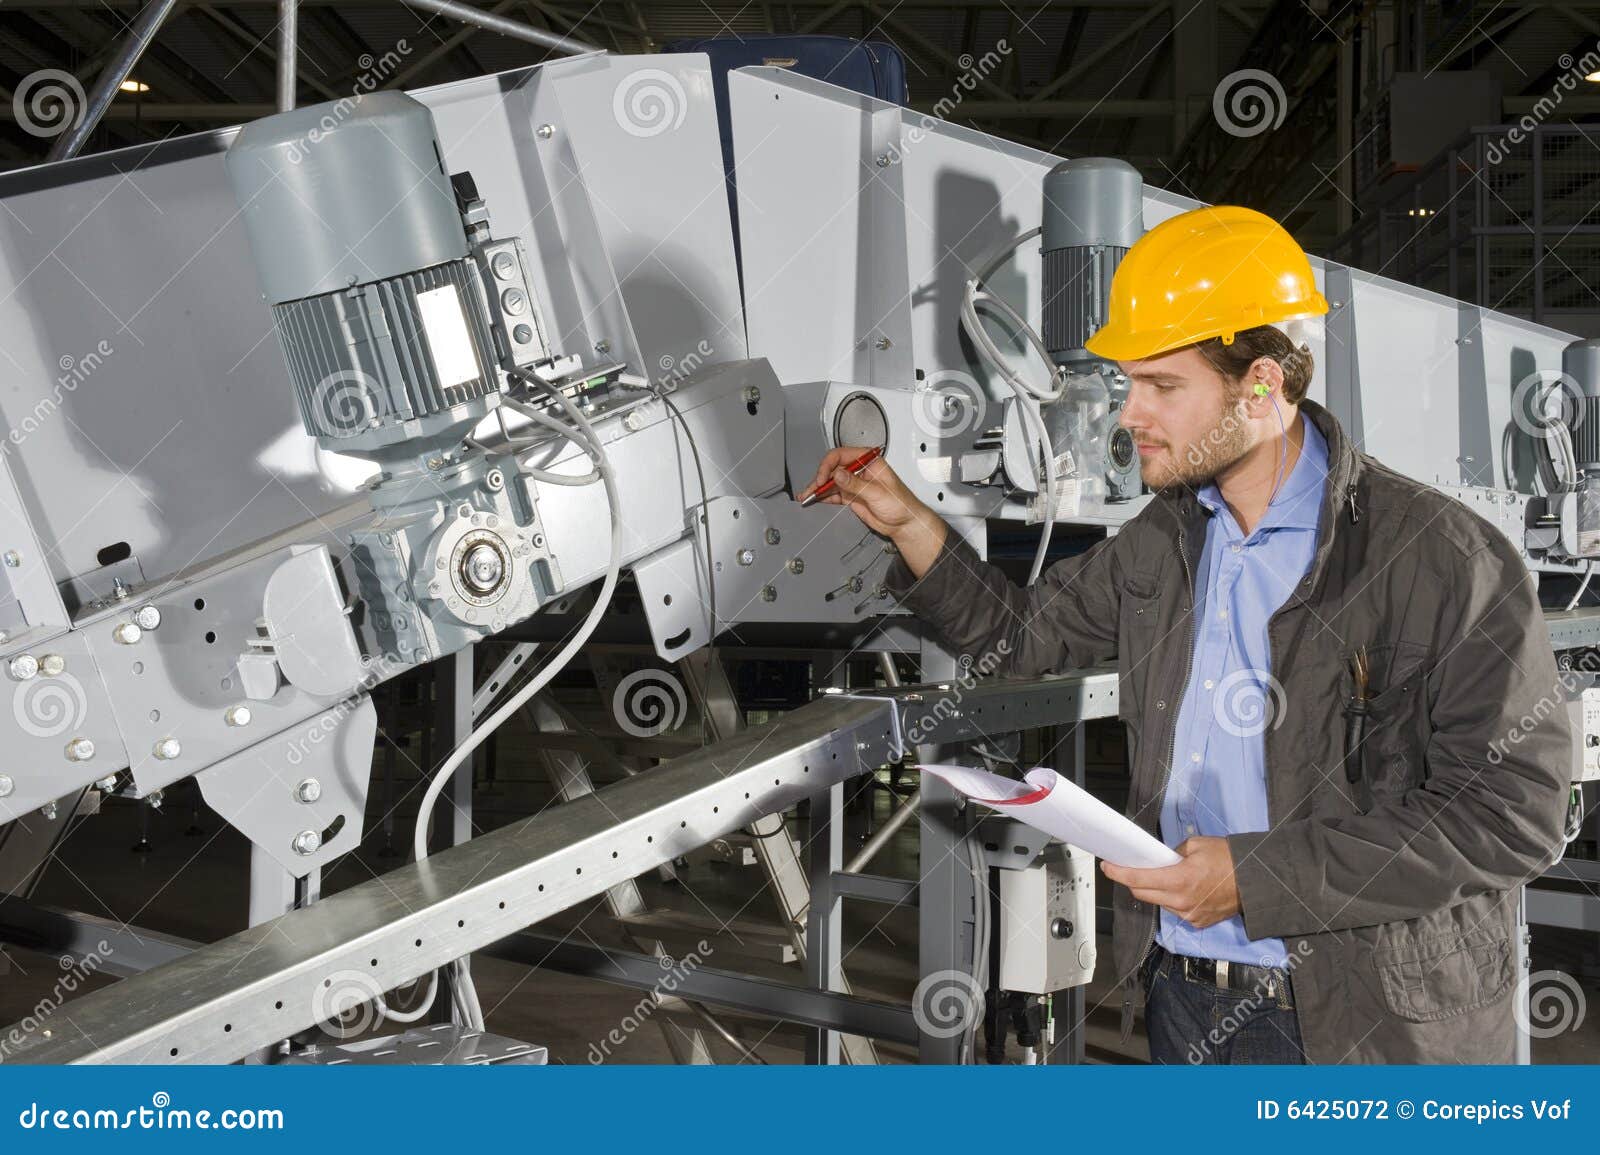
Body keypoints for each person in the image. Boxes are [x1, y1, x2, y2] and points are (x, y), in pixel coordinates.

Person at [797, 205, 1571, 1064]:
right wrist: (907, 520)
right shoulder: (1166, 536)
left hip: (1363, 1023)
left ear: (1262, 387)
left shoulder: (1441, 558)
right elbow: (1019, 636)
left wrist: (1256, 878)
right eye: (1129, 382)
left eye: (1162, 386)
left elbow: (1513, 813)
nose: (1129, 413)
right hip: (1185, 993)